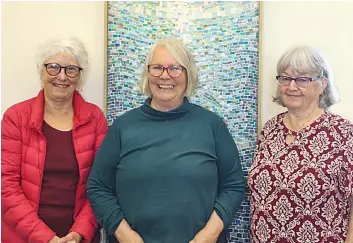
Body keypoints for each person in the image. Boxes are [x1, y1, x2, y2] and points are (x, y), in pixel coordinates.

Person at [87, 37, 245, 243]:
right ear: (147, 72)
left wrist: (209, 234)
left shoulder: (212, 125)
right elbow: (98, 187)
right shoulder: (122, 127)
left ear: (188, 75)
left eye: (175, 68)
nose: (165, 76)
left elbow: (233, 185)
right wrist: (125, 235)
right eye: (158, 67)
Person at [1, 35, 108, 243]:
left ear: (79, 76)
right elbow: (6, 186)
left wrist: (79, 233)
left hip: (78, 237)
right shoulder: (16, 117)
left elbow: (101, 184)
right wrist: (46, 238)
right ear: (41, 71)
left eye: (71, 69)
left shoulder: (95, 118)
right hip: (24, 236)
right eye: (54, 67)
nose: (62, 76)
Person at [248, 46, 353, 242]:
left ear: (322, 84)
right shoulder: (270, 128)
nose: (291, 87)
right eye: (285, 78)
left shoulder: (343, 132)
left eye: (302, 79)